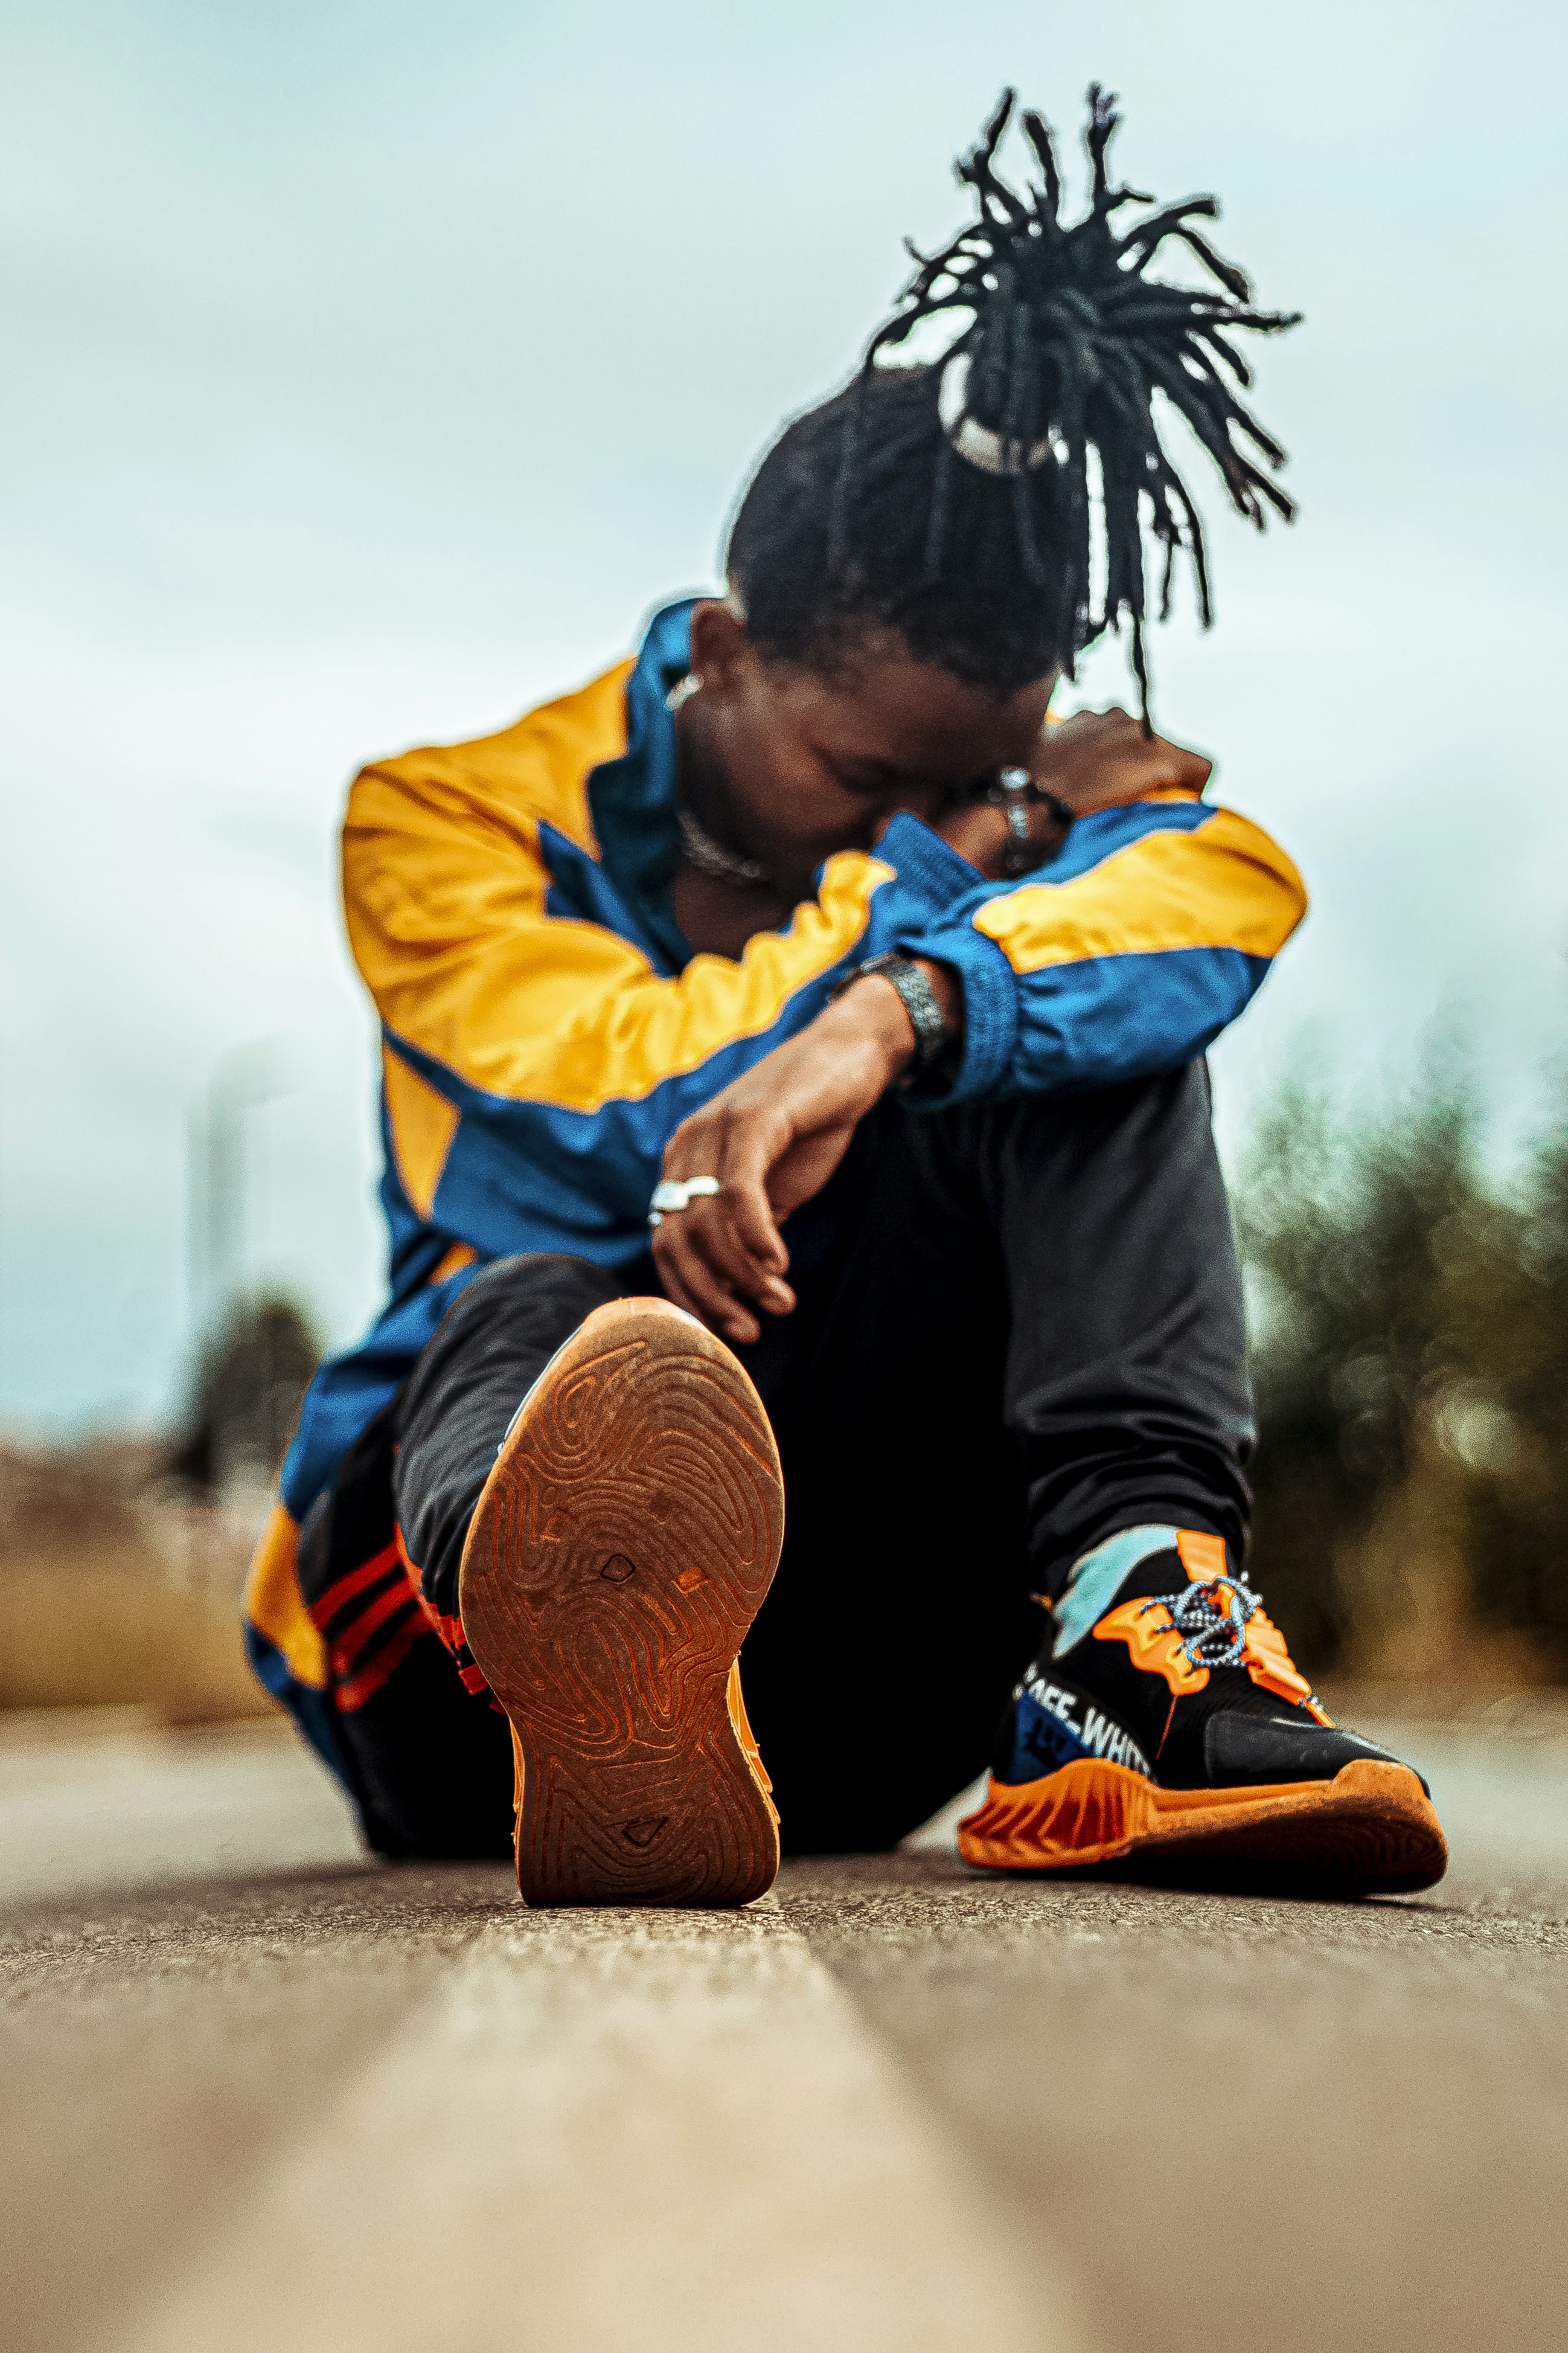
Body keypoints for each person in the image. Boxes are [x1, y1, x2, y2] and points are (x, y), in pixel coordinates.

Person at [245, 86, 1447, 1904]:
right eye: (869, 777)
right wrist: (973, 858)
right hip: (442, 1660)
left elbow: (1228, 878)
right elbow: (622, 1113)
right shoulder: (437, 818)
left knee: (1060, 1012)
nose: (931, 823)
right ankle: (591, 1649)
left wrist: (903, 1007)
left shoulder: (1002, 828)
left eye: (984, 779)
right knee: (551, 1295)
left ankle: (1137, 1639)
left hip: (871, 1658)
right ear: (723, 653)